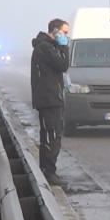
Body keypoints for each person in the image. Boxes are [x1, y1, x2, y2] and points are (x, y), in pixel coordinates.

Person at [30, 18, 71, 186]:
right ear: (55, 31)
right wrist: (63, 46)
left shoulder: (46, 46)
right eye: (64, 33)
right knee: (52, 135)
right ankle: (49, 171)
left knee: (50, 134)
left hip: (50, 98)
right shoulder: (45, 47)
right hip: (49, 99)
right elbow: (63, 64)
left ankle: (46, 169)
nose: (66, 36)